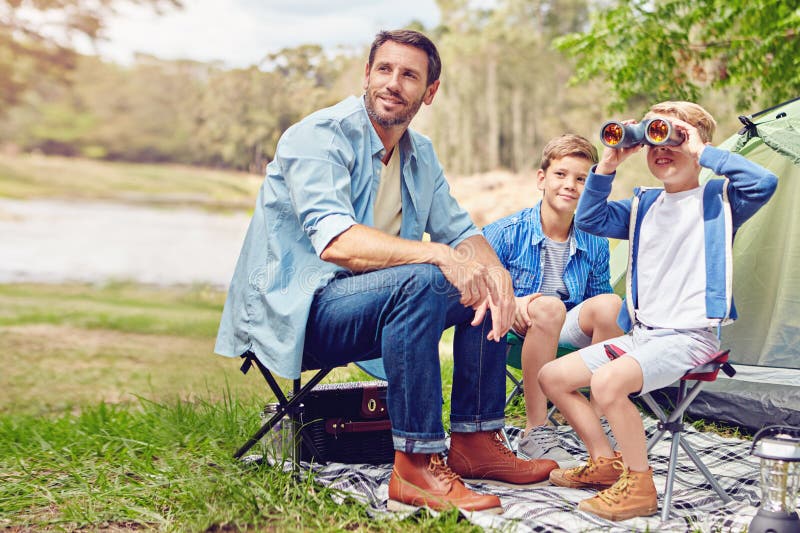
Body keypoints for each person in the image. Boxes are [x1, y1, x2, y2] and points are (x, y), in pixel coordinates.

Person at [214, 29, 558, 515]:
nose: (393, 83)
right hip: (300, 313)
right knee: (428, 275)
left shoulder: (422, 155)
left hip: (373, 306)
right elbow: (337, 243)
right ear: (367, 75)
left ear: (429, 92)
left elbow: (462, 232)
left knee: (480, 278)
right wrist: (439, 255)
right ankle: (416, 463)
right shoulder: (318, 136)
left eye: (409, 75)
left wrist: (496, 272)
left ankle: (476, 440)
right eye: (384, 69)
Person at [538, 101, 778, 520]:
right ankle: (605, 462)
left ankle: (639, 485)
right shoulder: (643, 207)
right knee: (552, 376)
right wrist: (611, 162)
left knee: (608, 384)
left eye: (675, 139)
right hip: (644, 337)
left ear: (697, 144)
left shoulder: (718, 201)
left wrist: (703, 151)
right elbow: (591, 217)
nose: (662, 149)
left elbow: (765, 182)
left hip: (690, 338)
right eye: (654, 142)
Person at [483, 134, 623, 468]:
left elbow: (597, 303)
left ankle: (601, 420)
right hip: (516, 332)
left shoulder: (594, 240)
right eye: (561, 174)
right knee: (549, 307)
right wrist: (511, 302)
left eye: (581, 179)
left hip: (566, 332)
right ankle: (536, 429)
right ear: (542, 178)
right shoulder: (505, 231)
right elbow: (477, 286)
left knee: (610, 304)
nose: (570, 185)